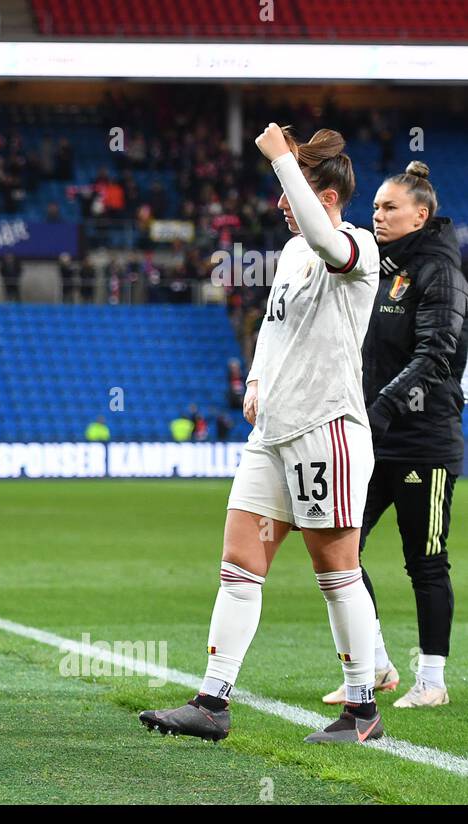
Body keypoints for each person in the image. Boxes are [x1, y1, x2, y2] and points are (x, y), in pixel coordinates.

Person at [141, 124, 382, 744]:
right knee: (239, 566)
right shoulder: (295, 254)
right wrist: (254, 381)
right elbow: (274, 331)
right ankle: (213, 701)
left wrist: (282, 161)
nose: (280, 202)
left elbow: (330, 242)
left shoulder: (355, 246)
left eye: (293, 189)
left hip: (324, 427)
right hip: (272, 431)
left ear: (325, 195)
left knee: (335, 570)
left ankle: (361, 709)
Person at [319, 161, 468, 709]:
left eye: (389, 208)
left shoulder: (441, 273)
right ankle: (376, 664)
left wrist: (379, 408)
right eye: (376, 207)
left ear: (420, 215)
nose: (377, 216)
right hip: (372, 437)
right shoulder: (382, 270)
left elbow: (437, 355)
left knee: (425, 559)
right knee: (341, 553)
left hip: (423, 441)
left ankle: (431, 681)